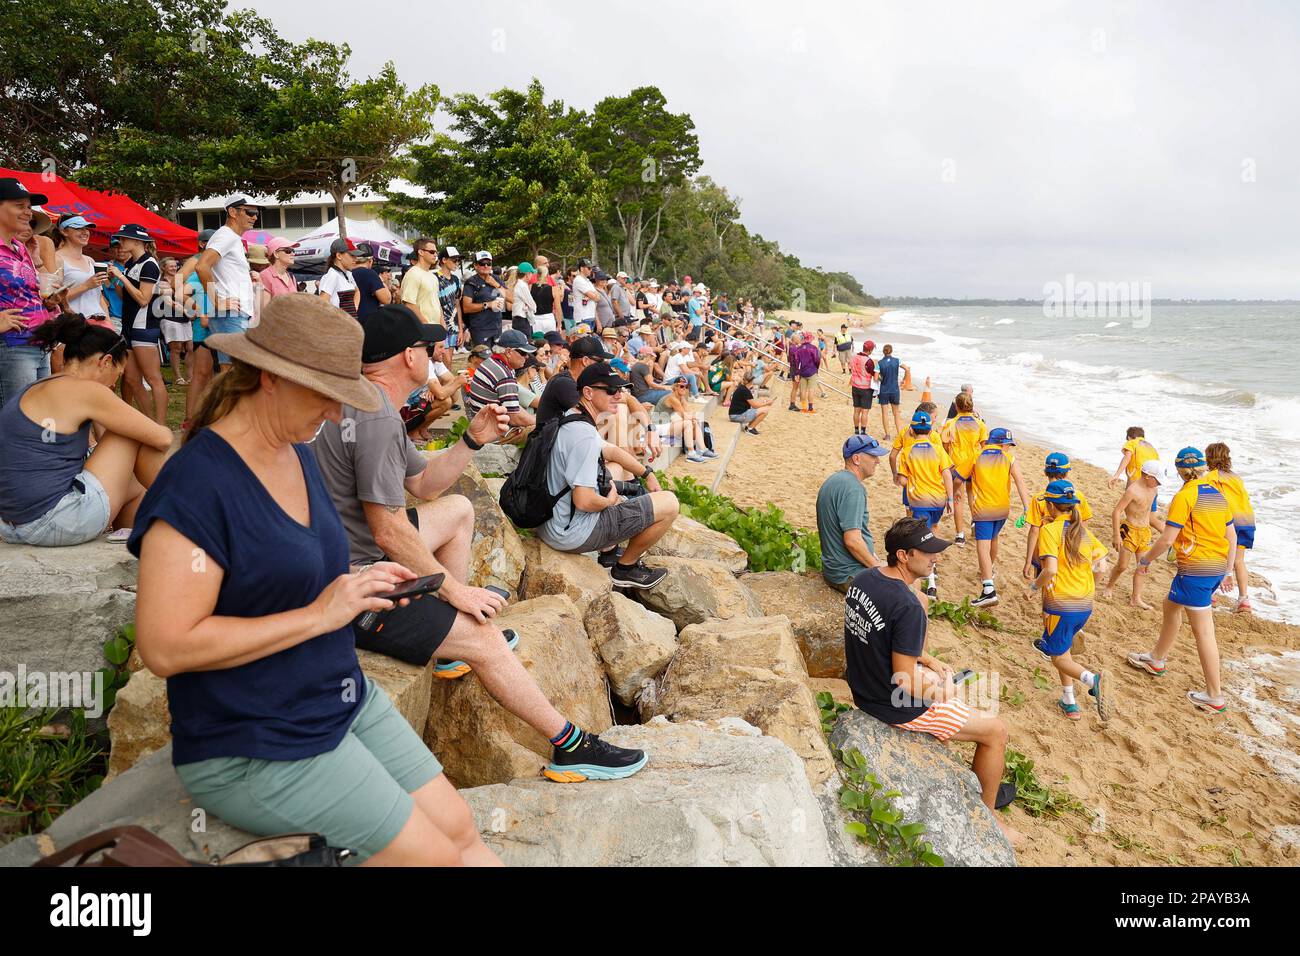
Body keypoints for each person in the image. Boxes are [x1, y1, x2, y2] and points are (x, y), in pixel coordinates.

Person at [129, 296, 502, 868]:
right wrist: (320, 615)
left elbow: (290, 570)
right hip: (257, 740)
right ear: (272, 380)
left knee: (459, 828)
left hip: (335, 697)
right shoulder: (199, 484)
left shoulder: (295, 454)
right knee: (433, 857)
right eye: (325, 393)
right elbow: (166, 645)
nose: (334, 413)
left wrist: (358, 582)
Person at [307, 301, 647, 784]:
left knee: (459, 510)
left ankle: (446, 645)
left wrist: (472, 440)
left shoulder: (368, 402)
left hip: (345, 547)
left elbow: (424, 487)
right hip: (350, 575)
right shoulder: (375, 415)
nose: (437, 353)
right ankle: (570, 746)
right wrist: (452, 590)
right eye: (428, 347)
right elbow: (387, 530)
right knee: (486, 642)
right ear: (409, 357)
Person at [843, 517, 1020, 841]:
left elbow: (879, 637)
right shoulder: (907, 605)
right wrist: (943, 691)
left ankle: (961, 769)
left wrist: (924, 658)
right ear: (903, 556)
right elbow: (905, 682)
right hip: (892, 705)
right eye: (926, 552)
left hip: (863, 687)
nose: (935, 557)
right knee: (996, 731)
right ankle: (990, 818)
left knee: (941, 678)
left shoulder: (864, 579)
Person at [0, 314, 171, 546]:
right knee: (131, 433)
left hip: (14, 525)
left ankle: (127, 535)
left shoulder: (38, 387)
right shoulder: (85, 390)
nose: (113, 385)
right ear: (106, 361)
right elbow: (162, 438)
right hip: (52, 521)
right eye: (117, 374)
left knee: (134, 486)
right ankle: (191, 513)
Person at [538, 361, 679, 589]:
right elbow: (583, 501)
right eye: (612, 390)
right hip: (572, 532)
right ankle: (625, 569)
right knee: (670, 503)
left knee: (614, 469)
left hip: (554, 521)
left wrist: (647, 473)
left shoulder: (573, 416)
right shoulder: (582, 435)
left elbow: (610, 450)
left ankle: (608, 551)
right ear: (588, 392)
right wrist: (611, 501)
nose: (619, 396)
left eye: (621, 390)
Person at [1126, 447, 1236, 713]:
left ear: (1178, 470)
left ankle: (1214, 696)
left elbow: (1167, 539)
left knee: (1204, 632)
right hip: (1216, 566)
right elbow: (1232, 537)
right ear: (1203, 468)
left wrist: (1144, 561)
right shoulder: (1217, 495)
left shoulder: (1184, 496)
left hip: (1196, 569)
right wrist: (1228, 571)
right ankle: (1156, 659)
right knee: (1170, 605)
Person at [1031, 481, 1113, 722]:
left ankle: (1093, 681)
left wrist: (1033, 587)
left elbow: (1050, 570)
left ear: (1049, 506)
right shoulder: (1083, 532)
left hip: (1060, 605)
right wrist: (1088, 587)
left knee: (1058, 657)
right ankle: (1069, 702)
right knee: (1064, 651)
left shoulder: (1050, 531)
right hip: (1084, 604)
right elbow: (1102, 566)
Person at [107, 224, 167, 425]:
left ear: (137, 240)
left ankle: (160, 425)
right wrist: (116, 280)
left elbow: (143, 299)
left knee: (153, 378)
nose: (120, 243)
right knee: (132, 379)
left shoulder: (149, 263)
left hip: (144, 327)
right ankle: (149, 423)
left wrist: (122, 277)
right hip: (130, 326)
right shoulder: (132, 263)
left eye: (123, 239)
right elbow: (124, 296)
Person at [0, 177, 52, 406]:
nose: (28, 213)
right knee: (15, 420)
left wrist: (49, 303)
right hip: (12, 346)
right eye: (19, 206)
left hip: (40, 344)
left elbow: (28, 292)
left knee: (36, 417)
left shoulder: (20, 247)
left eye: (29, 207)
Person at [817, 434, 890, 591]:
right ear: (856, 459)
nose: (877, 461)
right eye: (873, 456)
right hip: (848, 573)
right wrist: (876, 567)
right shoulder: (853, 489)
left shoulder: (834, 480)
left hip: (835, 569)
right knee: (912, 594)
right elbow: (852, 541)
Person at [967, 428, 1030, 607]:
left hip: (983, 509)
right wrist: (1026, 508)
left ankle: (988, 589)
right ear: (1001, 444)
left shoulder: (976, 456)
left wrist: (955, 492)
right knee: (994, 539)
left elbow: (960, 477)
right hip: (1003, 509)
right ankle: (988, 571)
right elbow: (1020, 483)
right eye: (1008, 445)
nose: (1008, 448)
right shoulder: (1009, 459)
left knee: (982, 546)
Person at [896, 410, 953, 600]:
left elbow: (903, 481)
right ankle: (933, 569)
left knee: (922, 540)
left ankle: (930, 584)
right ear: (930, 431)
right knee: (933, 531)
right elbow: (946, 474)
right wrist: (951, 499)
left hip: (919, 500)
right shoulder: (938, 449)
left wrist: (903, 478)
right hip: (938, 501)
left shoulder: (908, 451)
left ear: (912, 430)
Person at [195, 198, 258, 365]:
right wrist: (216, 302)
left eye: (256, 213)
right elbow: (202, 267)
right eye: (249, 212)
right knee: (235, 371)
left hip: (235, 313)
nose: (254, 217)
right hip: (230, 314)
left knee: (234, 371)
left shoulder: (231, 237)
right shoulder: (226, 235)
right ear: (232, 212)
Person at [1023, 452, 1094, 582]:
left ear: (1045, 472)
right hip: (1070, 549)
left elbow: (1034, 530)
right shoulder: (1077, 496)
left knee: (1044, 582)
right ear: (1067, 473)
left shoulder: (1039, 498)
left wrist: (1028, 561)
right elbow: (1083, 524)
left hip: (1045, 550)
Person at [1103, 459, 1162, 608]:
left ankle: (1136, 598)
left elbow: (1148, 512)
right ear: (1148, 476)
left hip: (1144, 532)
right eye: (1157, 480)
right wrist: (1116, 535)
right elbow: (1116, 511)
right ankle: (1109, 586)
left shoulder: (1154, 489)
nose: (1159, 483)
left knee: (1142, 567)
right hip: (1129, 530)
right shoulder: (1132, 490)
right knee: (1122, 565)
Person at [1205, 442, 1255, 614]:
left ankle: (1210, 594)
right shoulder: (1236, 477)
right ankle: (1243, 600)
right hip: (1246, 520)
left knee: (1215, 554)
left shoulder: (1209, 477)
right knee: (1239, 561)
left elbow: (1208, 499)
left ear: (1208, 458)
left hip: (1226, 520)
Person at [464, 328, 535, 432]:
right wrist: (539, 420)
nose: (527, 357)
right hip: (492, 433)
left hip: (482, 425)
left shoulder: (492, 362)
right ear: (509, 352)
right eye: (523, 353)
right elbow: (515, 418)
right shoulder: (504, 375)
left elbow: (514, 408)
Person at [940, 392, 988, 545]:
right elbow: (984, 446)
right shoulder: (980, 424)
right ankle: (975, 522)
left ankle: (960, 534)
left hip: (958, 464)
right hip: (974, 464)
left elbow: (945, 446)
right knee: (973, 495)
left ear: (957, 406)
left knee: (958, 499)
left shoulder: (950, 423)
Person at [536, 334, 614, 425]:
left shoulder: (578, 381)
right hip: (550, 438)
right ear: (585, 361)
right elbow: (590, 418)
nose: (603, 365)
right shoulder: (564, 383)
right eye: (600, 361)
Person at [52, 215, 110, 324]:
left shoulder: (91, 261)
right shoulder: (57, 259)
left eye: (86, 228)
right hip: (75, 325)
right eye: (78, 228)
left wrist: (108, 320)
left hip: (100, 322)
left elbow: (99, 297)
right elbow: (54, 299)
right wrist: (86, 286)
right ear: (64, 231)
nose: (85, 232)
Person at [655, 376, 714, 464]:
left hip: (666, 424)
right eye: (681, 386)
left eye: (686, 387)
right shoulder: (672, 398)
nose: (684, 389)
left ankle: (703, 449)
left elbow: (689, 411)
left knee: (693, 422)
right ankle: (690, 453)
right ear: (675, 387)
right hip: (658, 427)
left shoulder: (680, 397)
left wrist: (693, 418)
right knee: (687, 423)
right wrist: (692, 418)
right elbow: (684, 415)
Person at [461, 251, 511, 348]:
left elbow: (511, 299)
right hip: (481, 329)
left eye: (489, 264)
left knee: (496, 359)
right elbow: (466, 307)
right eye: (482, 263)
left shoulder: (496, 279)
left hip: (497, 327)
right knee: (484, 359)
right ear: (475, 266)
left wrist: (496, 285)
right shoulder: (471, 282)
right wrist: (487, 305)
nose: (486, 266)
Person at [157, 256, 191, 386]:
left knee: (190, 347)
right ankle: (178, 376)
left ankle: (190, 376)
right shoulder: (162, 282)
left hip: (184, 318)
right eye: (170, 265)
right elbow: (169, 302)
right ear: (163, 268)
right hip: (169, 317)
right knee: (176, 348)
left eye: (175, 265)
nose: (174, 267)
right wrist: (187, 311)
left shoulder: (182, 281)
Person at [400, 238, 443, 328]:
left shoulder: (433, 276)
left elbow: (436, 303)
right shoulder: (413, 274)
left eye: (436, 252)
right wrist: (426, 325)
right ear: (421, 252)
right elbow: (409, 304)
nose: (435, 255)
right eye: (432, 252)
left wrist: (442, 324)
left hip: (435, 329)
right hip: (421, 330)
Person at [318, 239, 361, 319]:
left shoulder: (348, 274)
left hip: (349, 324)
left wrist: (355, 306)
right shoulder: (332, 275)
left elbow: (357, 291)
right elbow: (322, 304)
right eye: (352, 255)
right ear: (339, 256)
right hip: (339, 327)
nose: (355, 259)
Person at [1109, 425, 1159, 490]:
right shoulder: (1151, 447)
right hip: (1152, 480)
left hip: (1136, 477)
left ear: (1129, 437)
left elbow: (1127, 457)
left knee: (1130, 496)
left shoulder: (1131, 442)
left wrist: (1117, 475)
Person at [727, 369, 771, 435]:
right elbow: (755, 406)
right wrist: (767, 403)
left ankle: (750, 427)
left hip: (736, 414)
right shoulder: (745, 390)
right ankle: (750, 429)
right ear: (751, 381)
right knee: (765, 410)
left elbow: (753, 403)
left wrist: (763, 402)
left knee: (761, 409)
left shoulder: (743, 387)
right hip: (736, 416)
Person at [351, 246, 392, 318]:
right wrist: (381, 280)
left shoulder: (347, 273)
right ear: (370, 261)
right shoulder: (370, 273)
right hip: (368, 320)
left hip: (350, 318)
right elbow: (386, 299)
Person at [258, 237, 299, 306]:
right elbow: (264, 310)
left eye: (293, 251)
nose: (293, 254)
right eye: (288, 251)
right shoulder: (265, 276)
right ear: (276, 254)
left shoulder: (291, 277)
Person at [876, 344, 905, 438]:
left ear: (883, 352)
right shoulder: (897, 361)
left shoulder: (879, 363)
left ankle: (887, 435)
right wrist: (903, 380)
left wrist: (882, 378)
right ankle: (900, 434)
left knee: (885, 413)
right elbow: (907, 369)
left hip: (884, 390)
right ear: (891, 351)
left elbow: (876, 378)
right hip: (895, 390)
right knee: (896, 413)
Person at [849, 339, 876, 436]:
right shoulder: (868, 361)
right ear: (870, 350)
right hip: (866, 388)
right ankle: (863, 431)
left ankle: (856, 430)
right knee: (865, 411)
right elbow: (873, 373)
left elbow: (850, 368)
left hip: (855, 386)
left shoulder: (854, 357)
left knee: (856, 410)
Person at [510, 261, 538, 336]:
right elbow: (532, 304)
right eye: (531, 273)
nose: (532, 275)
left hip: (519, 318)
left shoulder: (519, 284)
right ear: (527, 274)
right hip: (521, 319)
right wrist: (532, 307)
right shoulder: (522, 285)